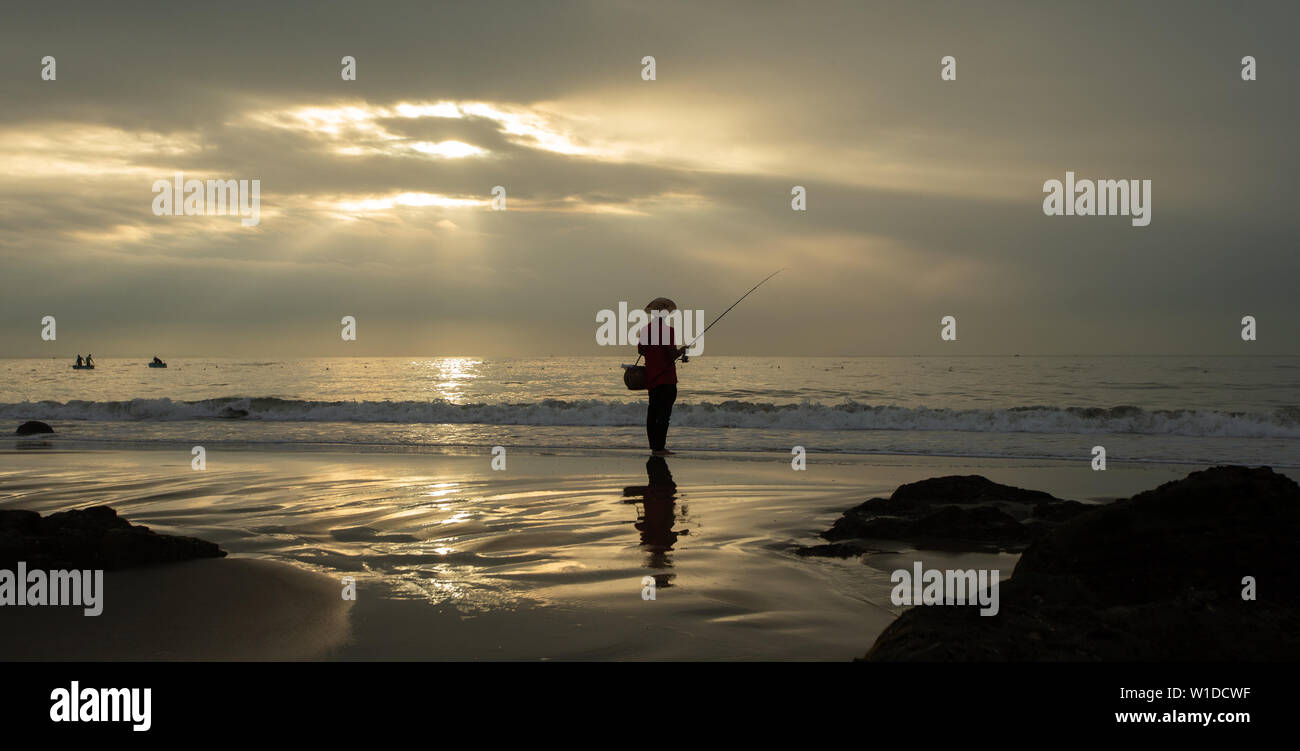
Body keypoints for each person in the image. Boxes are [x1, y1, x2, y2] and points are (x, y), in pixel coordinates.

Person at [637, 298, 688, 456]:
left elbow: (641, 351)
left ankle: (654, 446)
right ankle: (660, 448)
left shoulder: (645, 330)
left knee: (653, 413)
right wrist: (683, 350)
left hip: (652, 378)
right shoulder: (668, 330)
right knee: (664, 415)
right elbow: (672, 354)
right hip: (666, 378)